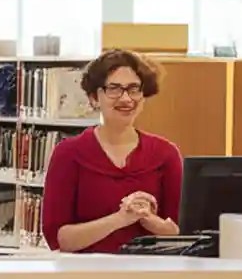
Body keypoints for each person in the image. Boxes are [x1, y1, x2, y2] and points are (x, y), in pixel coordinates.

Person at [41, 49, 182, 253]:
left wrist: (147, 218)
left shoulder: (166, 154)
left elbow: (181, 234)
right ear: (94, 98)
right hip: (87, 277)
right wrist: (120, 218)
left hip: (150, 275)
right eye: (114, 89)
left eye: (134, 89)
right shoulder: (69, 154)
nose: (126, 99)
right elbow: (60, 239)